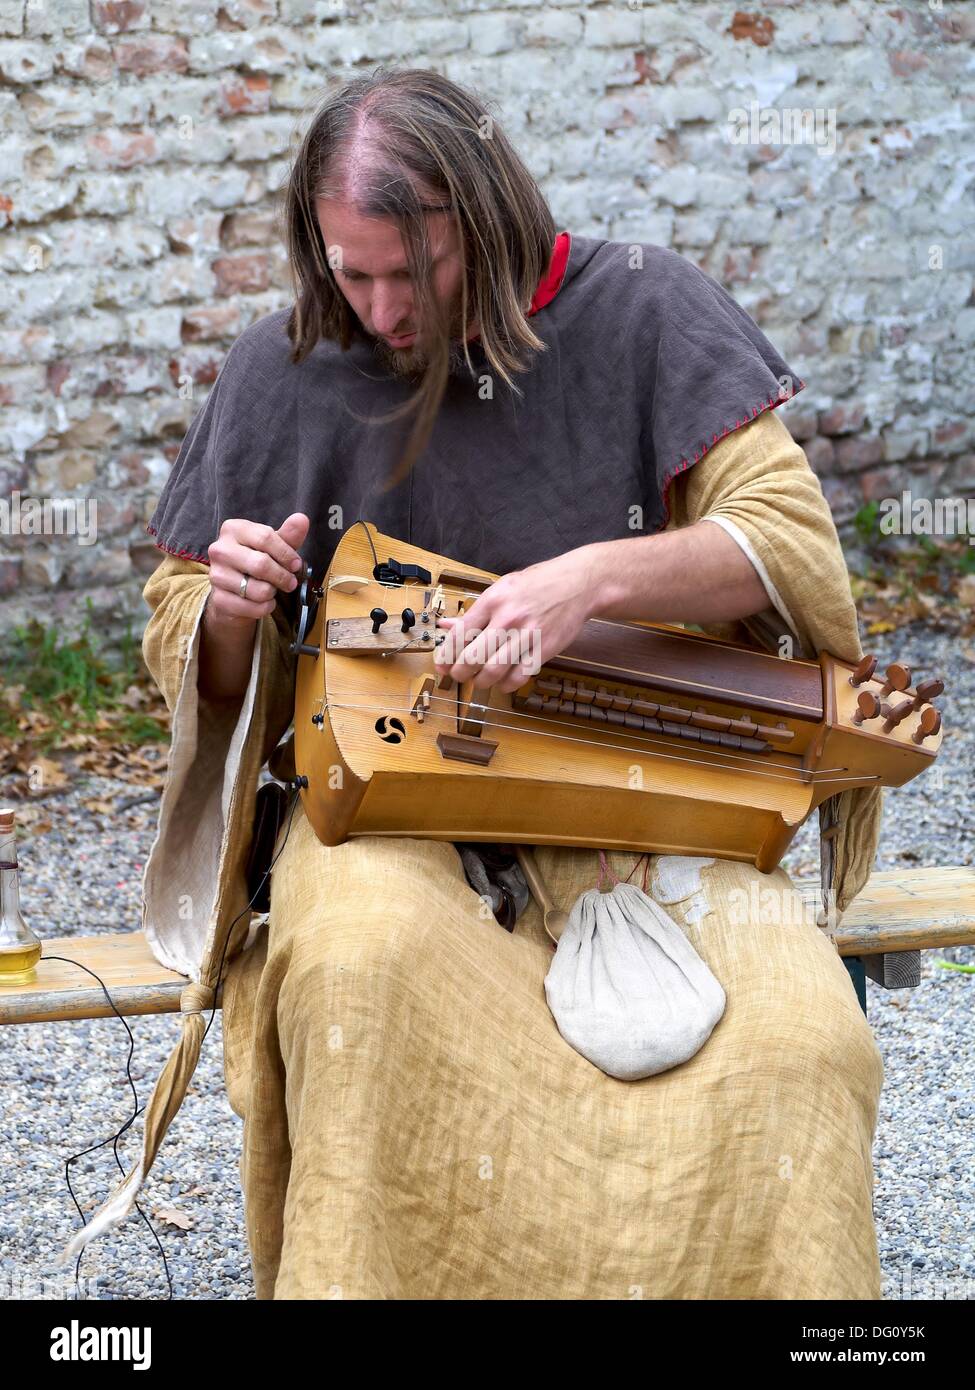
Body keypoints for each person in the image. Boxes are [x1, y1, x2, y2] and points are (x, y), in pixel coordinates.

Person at [62, 67, 885, 1299]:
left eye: (417, 270)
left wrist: (590, 580)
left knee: (801, 1041)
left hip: (643, 794)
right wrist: (230, 610)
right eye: (353, 272)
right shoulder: (286, 365)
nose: (384, 309)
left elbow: (786, 544)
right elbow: (189, 636)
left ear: (488, 219)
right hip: (384, 813)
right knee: (357, 981)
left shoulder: (645, 309)